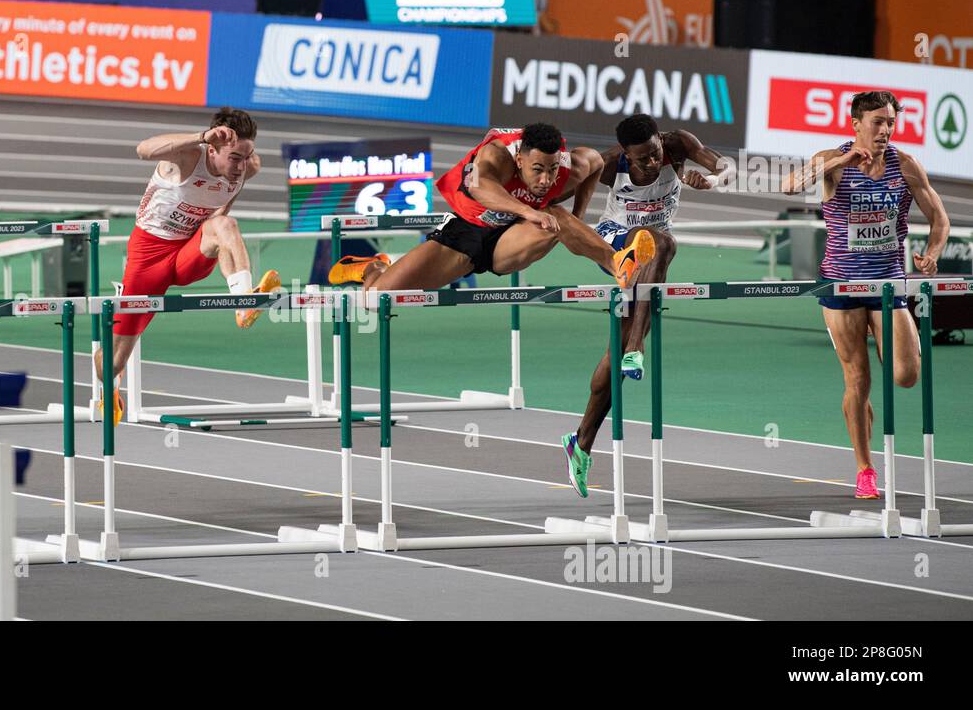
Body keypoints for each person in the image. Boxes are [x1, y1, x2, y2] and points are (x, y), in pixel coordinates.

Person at [783, 90, 948, 498]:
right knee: (857, 379)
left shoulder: (905, 166)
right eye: (877, 122)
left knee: (906, 375)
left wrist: (931, 253)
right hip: (841, 284)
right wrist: (840, 162)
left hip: (889, 282)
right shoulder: (830, 160)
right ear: (855, 123)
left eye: (891, 122)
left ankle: (883, 334)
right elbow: (789, 187)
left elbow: (939, 218)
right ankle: (865, 469)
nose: (885, 130)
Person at [563, 113, 732, 497]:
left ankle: (581, 442)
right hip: (615, 243)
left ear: (661, 140)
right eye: (641, 159)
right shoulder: (609, 165)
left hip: (650, 261)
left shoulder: (678, 145)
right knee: (662, 242)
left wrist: (713, 180)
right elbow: (572, 187)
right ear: (625, 153)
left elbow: (724, 165)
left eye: (654, 153)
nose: (651, 162)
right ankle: (638, 347)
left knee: (617, 347)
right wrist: (574, 222)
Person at [94, 107, 280, 424]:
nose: (242, 166)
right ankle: (109, 384)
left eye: (247, 157)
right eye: (234, 158)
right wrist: (199, 136)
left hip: (188, 253)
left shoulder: (248, 167)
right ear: (212, 149)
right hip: (148, 255)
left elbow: (221, 207)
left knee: (225, 225)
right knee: (112, 362)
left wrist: (212, 233)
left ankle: (244, 301)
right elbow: (142, 150)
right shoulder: (187, 159)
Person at [327, 122, 655, 294]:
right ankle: (369, 267)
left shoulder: (569, 166)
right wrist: (528, 210)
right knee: (377, 297)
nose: (546, 179)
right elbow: (477, 186)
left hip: (511, 239)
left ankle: (618, 265)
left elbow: (595, 165)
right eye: (537, 169)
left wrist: (578, 217)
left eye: (552, 170)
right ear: (520, 160)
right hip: (466, 234)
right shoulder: (496, 155)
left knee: (557, 216)